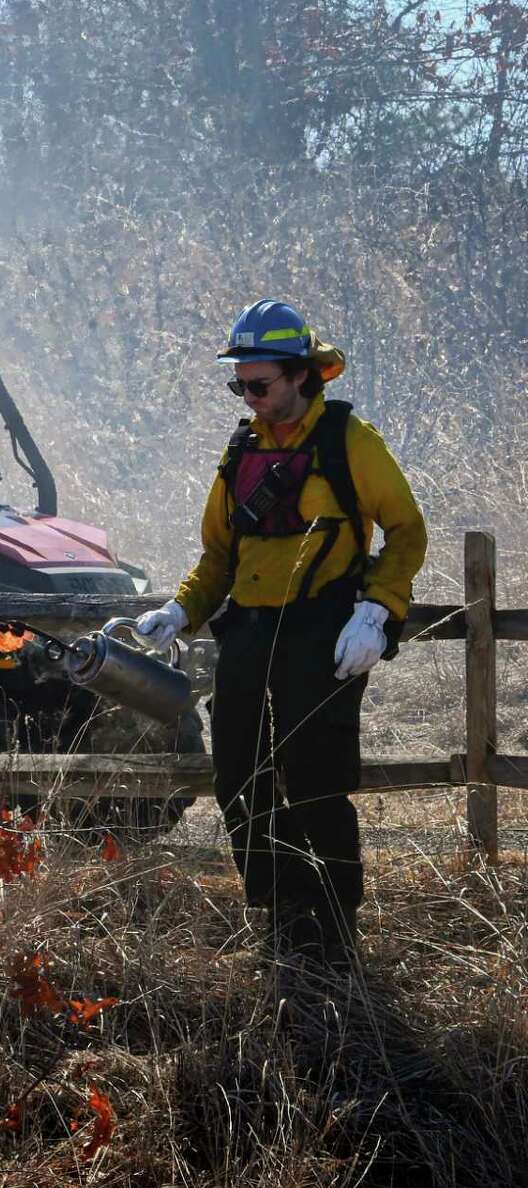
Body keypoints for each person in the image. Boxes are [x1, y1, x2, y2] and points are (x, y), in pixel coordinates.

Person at [133, 299, 426, 965]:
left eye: (260, 385)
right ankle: (282, 918)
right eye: (239, 386)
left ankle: (336, 927)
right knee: (239, 776)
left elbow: (408, 532)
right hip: (248, 631)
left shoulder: (351, 441)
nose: (250, 398)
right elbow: (219, 555)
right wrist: (180, 610)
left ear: (300, 374)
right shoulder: (242, 449)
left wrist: (376, 611)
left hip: (325, 630)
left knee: (316, 780)